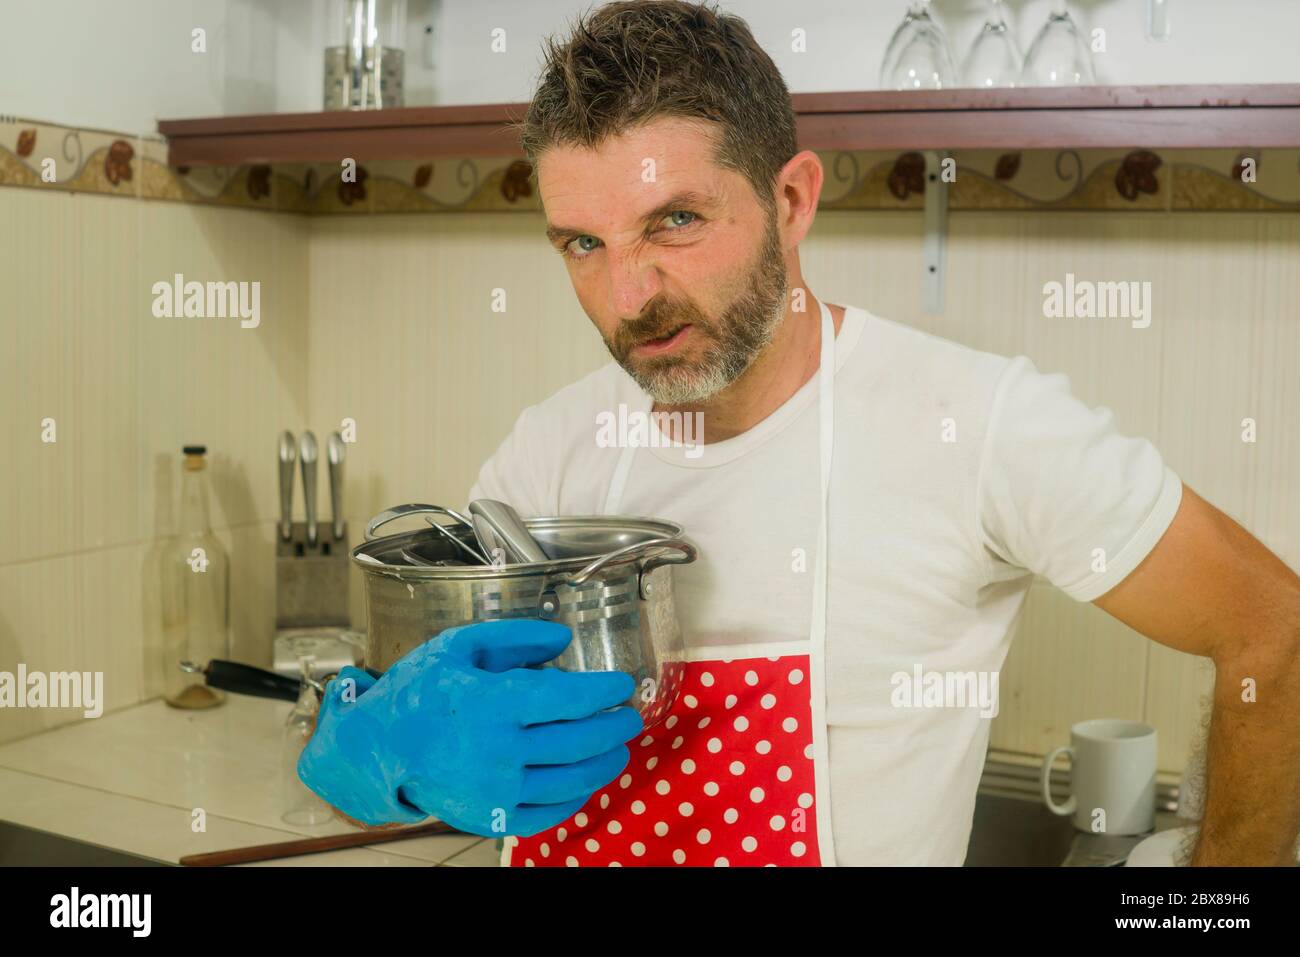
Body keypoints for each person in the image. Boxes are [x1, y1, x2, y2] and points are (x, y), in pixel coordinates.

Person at [300, 1, 1300, 867]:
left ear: (791, 199)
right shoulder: (545, 456)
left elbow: (1272, 630)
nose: (629, 296)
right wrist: (377, 760)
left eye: (675, 222)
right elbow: (406, 743)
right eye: (582, 244)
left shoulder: (978, 424)